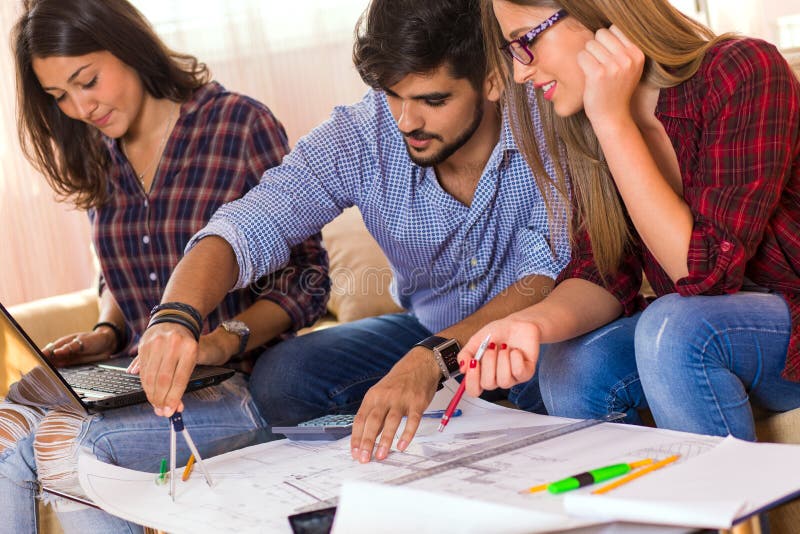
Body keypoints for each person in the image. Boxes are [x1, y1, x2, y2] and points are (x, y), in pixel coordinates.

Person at [137, 0, 570, 468]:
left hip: (539, 335)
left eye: (432, 100)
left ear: (492, 78)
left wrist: (431, 360)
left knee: (559, 381)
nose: (407, 121)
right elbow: (249, 222)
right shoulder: (363, 134)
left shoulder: (548, 120)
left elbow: (543, 277)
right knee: (284, 376)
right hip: (425, 328)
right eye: (392, 94)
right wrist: (175, 315)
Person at [2, 0, 329, 532]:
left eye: (87, 80)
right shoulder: (98, 154)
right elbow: (116, 267)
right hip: (137, 380)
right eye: (60, 96)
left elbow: (309, 279)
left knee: (72, 446)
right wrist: (107, 331)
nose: (81, 107)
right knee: (5, 430)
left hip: (240, 384)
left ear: (127, 45)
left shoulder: (238, 125)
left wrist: (225, 339)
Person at [460, 0, 800, 441]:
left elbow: (704, 274)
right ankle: (637, 510)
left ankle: (717, 509)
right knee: (569, 366)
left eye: (525, 42)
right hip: (708, 337)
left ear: (594, 11)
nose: (521, 73)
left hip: (785, 327)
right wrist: (527, 324)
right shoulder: (586, 125)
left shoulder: (741, 69)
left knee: (674, 329)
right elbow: (601, 273)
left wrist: (613, 122)